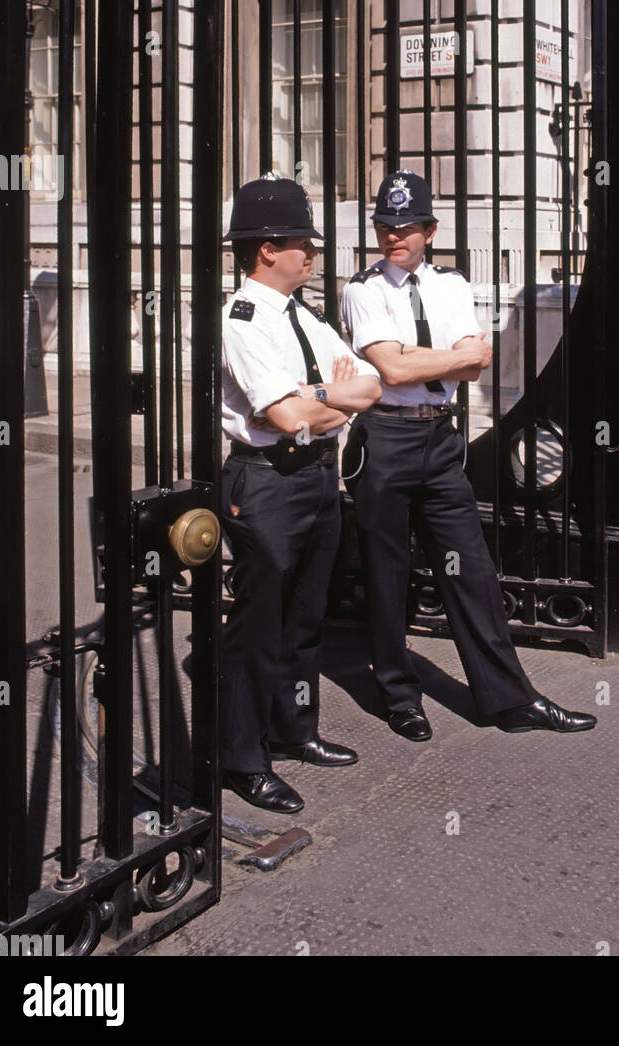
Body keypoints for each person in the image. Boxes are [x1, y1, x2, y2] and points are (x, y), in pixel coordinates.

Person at [340, 170, 596, 741]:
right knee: (387, 575)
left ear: (429, 230)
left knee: (472, 571)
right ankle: (399, 696)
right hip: (385, 439)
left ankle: (509, 698)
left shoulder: (452, 285)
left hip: (438, 439)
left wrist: (421, 356)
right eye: (384, 226)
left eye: (405, 227)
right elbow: (395, 369)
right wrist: (439, 358)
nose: (392, 237)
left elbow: (476, 361)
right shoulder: (362, 289)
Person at [220, 175, 381, 813]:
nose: (311, 254)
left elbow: (369, 388)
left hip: (317, 475)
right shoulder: (242, 319)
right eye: (300, 243)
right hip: (266, 482)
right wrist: (322, 401)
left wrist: (314, 400)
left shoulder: (306, 317)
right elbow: (282, 419)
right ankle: (242, 757)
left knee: (306, 619)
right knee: (258, 626)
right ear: (265, 249)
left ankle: (296, 730)